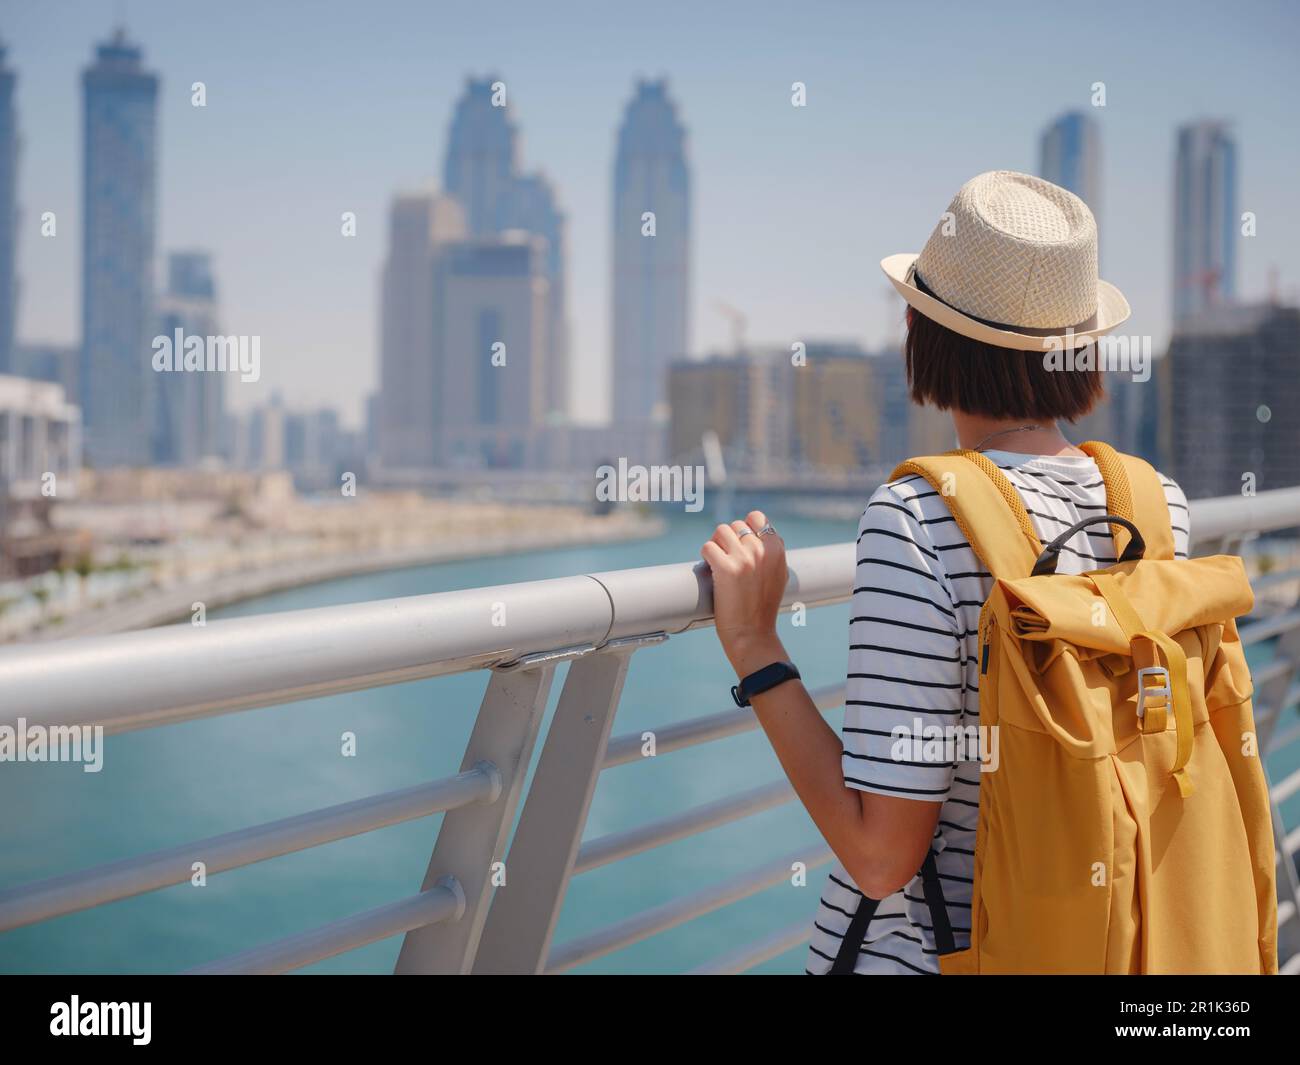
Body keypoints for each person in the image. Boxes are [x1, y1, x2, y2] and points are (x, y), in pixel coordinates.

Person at [701, 171, 1189, 974]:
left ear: (921, 329)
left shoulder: (918, 519)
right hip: (1120, 947)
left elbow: (881, 858)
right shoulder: (1155, 504)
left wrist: (754, 644)